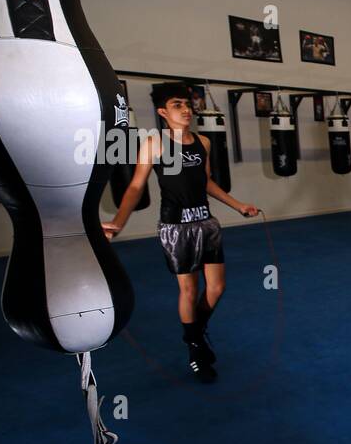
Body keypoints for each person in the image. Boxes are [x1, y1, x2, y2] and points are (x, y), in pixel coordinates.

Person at [104, 83, 260, 381]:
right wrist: (119, 223)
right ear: (163, 112)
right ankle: (195, 350)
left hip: (206, 223)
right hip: (176, 227)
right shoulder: (155, 143)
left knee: (216, 288)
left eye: (188, 104)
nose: (186, 109)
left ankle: (194, 333)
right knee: (188, 290)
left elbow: (206, 182)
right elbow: (136, 186)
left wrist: (238, 205)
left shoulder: (203, 142)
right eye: (178, 105)